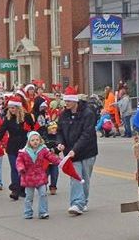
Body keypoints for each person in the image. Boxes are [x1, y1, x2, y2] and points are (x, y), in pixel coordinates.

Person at [56, 86, 98, 215]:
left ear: (75, 101)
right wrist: (60, 143)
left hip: (87, 151)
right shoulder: (64, 115)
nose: (66, 103)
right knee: (76, 178)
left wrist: (75, 149)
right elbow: (59, 131)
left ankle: (83, 201)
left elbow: (87, 134)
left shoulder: (87, 113)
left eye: (69, 101)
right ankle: (76, 203)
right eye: (65, 101)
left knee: (85, 178)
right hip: (71, 153)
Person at [0, 98, 35, 200]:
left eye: (13, 108)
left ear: (18, 107)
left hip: (24, 147)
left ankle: (21, 188)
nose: (11, 110)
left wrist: (35, 144)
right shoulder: (8, 119)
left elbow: (33, 130)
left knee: (23, 169)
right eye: (10, 108)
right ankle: (15, 190)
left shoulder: (27, 117)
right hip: (12, 147)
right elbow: (0, 133)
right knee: (14, 168)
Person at [16, 131, 60, 220]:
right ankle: (28, 212)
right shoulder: (23, 152)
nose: (35, 142)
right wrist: (21, 168)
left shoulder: (43, 150)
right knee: (29, 196)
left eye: (37, 140)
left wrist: (60, 162)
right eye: (32, 140)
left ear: (40, 140)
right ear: (29, 142)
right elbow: (19, 161)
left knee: (43, 194)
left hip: (40, 175)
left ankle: (43, 212)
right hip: (29, 177)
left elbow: (51, 157)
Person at [41, 120, 61, 195]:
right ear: (49, 129)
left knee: (55, 174)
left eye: (55, 128)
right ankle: (43, 186)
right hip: (46, 159)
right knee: (45, 174)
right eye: (52, 128)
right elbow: (42, 146)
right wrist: (49, 149)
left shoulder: (58, 137)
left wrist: (56, 150)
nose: (54, 130)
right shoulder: (44, 137)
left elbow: (59, 147)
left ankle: (53, 186)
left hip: (55, 159)